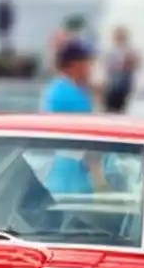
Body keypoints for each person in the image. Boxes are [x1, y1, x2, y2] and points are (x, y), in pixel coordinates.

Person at [40, 40, 110, 195]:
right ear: (74, 65)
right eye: (87, 62)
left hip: (64, 170)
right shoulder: (69, 94)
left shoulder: (60, 89)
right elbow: (91, 136)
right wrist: (99, 178)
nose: (90, 67)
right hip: (70, 174)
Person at [103, 27, 139, 112]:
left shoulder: (130, 52)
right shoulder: (110, 52)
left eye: (121, 36)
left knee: (123, 110)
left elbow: (135, 66)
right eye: (117, 36)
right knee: (110, 110)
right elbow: (108, 68)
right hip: (112, 87)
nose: (119, 38)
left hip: (125, 87)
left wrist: (128, 62)